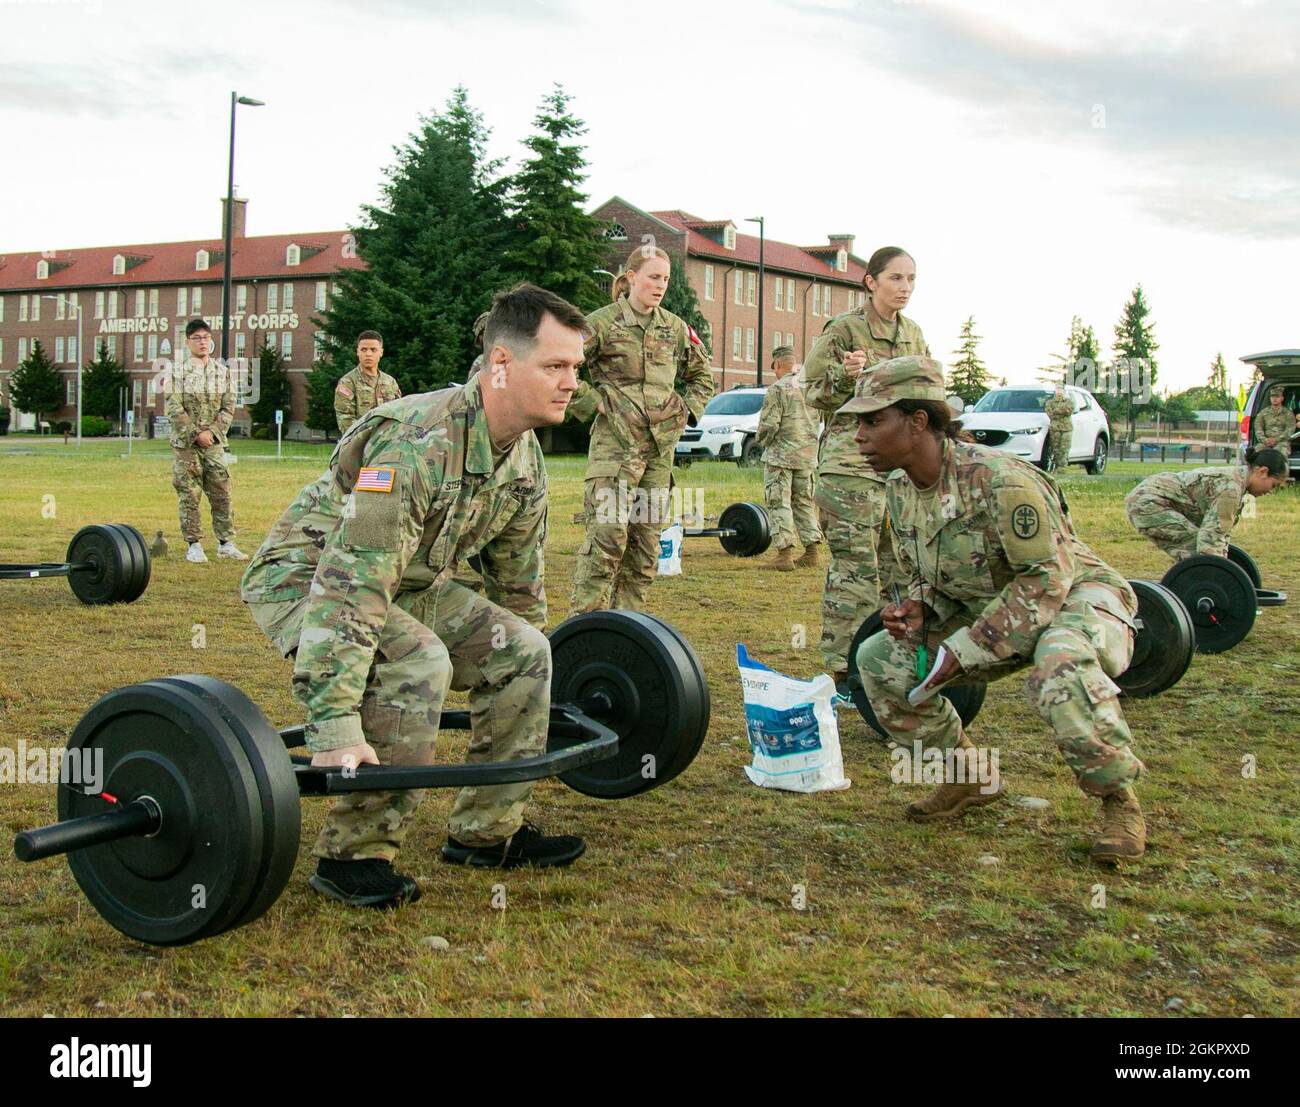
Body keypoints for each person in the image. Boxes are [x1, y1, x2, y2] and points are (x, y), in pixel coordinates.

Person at [241, 284, 589, 909]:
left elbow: (519, 590)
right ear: (502, 366)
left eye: (576, 368)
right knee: (417, 659)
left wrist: (532, 683)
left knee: (528, 651)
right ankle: (355, 857)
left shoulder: (525, 457)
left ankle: (486, 832)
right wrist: (335, 726)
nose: (571, 383)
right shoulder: (415, 444)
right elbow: (351, 591)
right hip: (308, 577)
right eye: (556, 366)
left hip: (410, 582)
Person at [848, 357, 1149, 864]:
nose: (859, 435)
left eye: (872, 420)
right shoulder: (900, 491)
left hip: (1080, 598)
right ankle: (970, 778)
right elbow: (935, 575)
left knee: (1060, 659)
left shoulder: (1000, 480)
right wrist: (921, 608)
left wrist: (967, 646)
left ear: (918, 422)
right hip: (994, 609)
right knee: (880, 658)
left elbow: (1046, 577)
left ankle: (1119, 801)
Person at [803, 246, 928, 686]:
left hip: (898, 471)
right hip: (849, 468)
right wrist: (844, 374)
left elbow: (927, 395)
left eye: (911, 279)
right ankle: (844, 671)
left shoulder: (913, 334)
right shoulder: (843, 330)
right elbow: (813, 391)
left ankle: (891, 661)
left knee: (902, 568)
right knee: (856, 570)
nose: (905, 288)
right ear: (871, 281)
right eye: (896, 278)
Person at [568, 246, 714, 613]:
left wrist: (684, 411)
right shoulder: (601, 323)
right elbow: (559, 365)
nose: (661, 285)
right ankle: (583, 627)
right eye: (653, 276)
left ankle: (627, 627)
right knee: (607, 539)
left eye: (665, 278)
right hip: (614, 450)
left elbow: (702, 378)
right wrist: (592, 402)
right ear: (631, 277)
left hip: (658, 455)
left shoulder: (676, 328)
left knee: (645, 547)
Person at [165, 318, 246, 563]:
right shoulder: (177, 372)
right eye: (197, 338)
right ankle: (194, 544)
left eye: (206, 338)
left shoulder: (223, 372)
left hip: (214, 444)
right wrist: (195, 433)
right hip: (187, 446)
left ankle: (225, 542)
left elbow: (229, 406)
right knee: (189, 494)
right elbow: (173, 407)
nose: (203, 342)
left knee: (222, 492)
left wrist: (211, 433)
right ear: (188, 342)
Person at [1125, 448, 1288, 561]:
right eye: (1273, 485)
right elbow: (1211, 538)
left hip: (1154, 499)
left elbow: (1222, 535)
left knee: (1199, 551)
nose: (1270, 491)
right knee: (1197, 552)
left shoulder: (1238, 484)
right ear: (1263, 472)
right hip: (1148, 503)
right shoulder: (1231, 489)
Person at [755, 346, 822, 570]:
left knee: (778, 502)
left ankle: (784, 555)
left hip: (781, 456)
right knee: (804, 503)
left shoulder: (778, 389)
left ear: (778, 364)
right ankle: (812, 551)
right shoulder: (809, 387)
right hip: (807, 456)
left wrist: (761, 441)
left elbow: (769, 425)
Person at [334, 331, 402, 435]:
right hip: (361, 442)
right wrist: (367, 437)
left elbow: (399, 413)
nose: (368, 354)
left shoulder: (390, 382)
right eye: (364, 349)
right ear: (358, 352)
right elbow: (344, 418)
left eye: (373, 350)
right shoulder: (348, 382)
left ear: (381, 352)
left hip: (387, 441)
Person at [1253, 385, 1296, 458]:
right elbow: (1258, 429)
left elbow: (1290, 430)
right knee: (1256, 453)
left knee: (1281, 455)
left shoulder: (1288, 413)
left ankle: (1282, 469)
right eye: (1272, 396)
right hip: (1266, 442)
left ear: (1282, 398)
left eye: (1277, 396)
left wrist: (1276, 439)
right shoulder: (1262, 413)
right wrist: (1265, 440)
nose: (1274, 399)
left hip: (1282, 443)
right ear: (1270, 398)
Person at [1043, 386, 1074, 471]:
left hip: (1066, 429)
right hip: (1055, 429)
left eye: (1060, 389)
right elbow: (1050, 414)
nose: (1059, 391)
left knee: (1064, 449)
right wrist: (1062, 410)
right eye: (1057, 389)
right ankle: (1056, 468)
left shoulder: (1069, 401)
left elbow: (1069, 410)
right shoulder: (1050, 402)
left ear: (1063, 391)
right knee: (1055, 450)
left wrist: (1056, 410)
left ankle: (1062, 470)